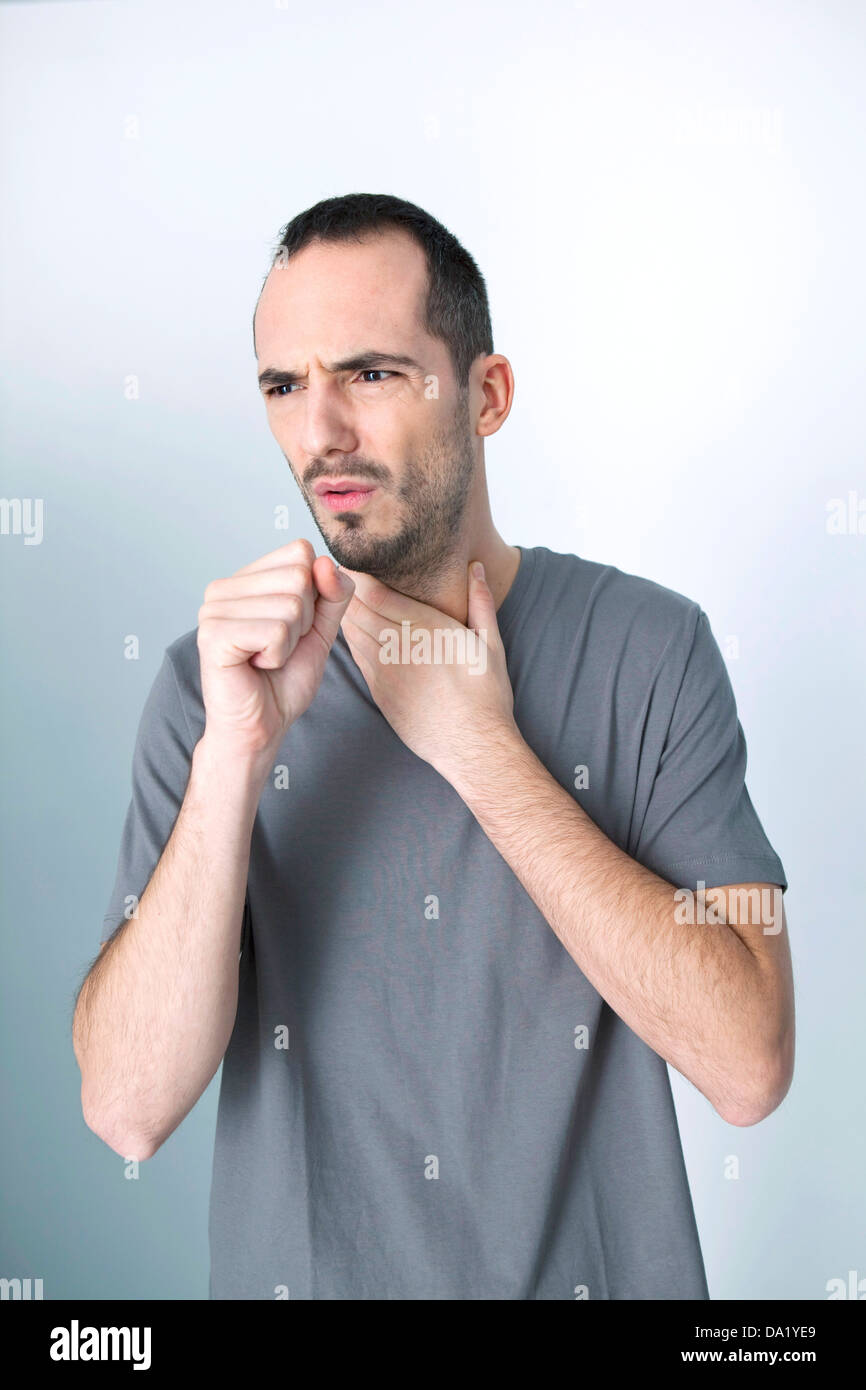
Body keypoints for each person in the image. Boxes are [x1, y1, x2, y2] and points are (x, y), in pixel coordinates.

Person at [73, 193, 794, 1300]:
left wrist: (482, 751)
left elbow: (748, 1066)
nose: (318, 435)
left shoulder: (651, 650)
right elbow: (124, 1106)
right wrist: (234, 752)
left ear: (485, 393)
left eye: (368, 373)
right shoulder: (210, 689)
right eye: (283, 387)